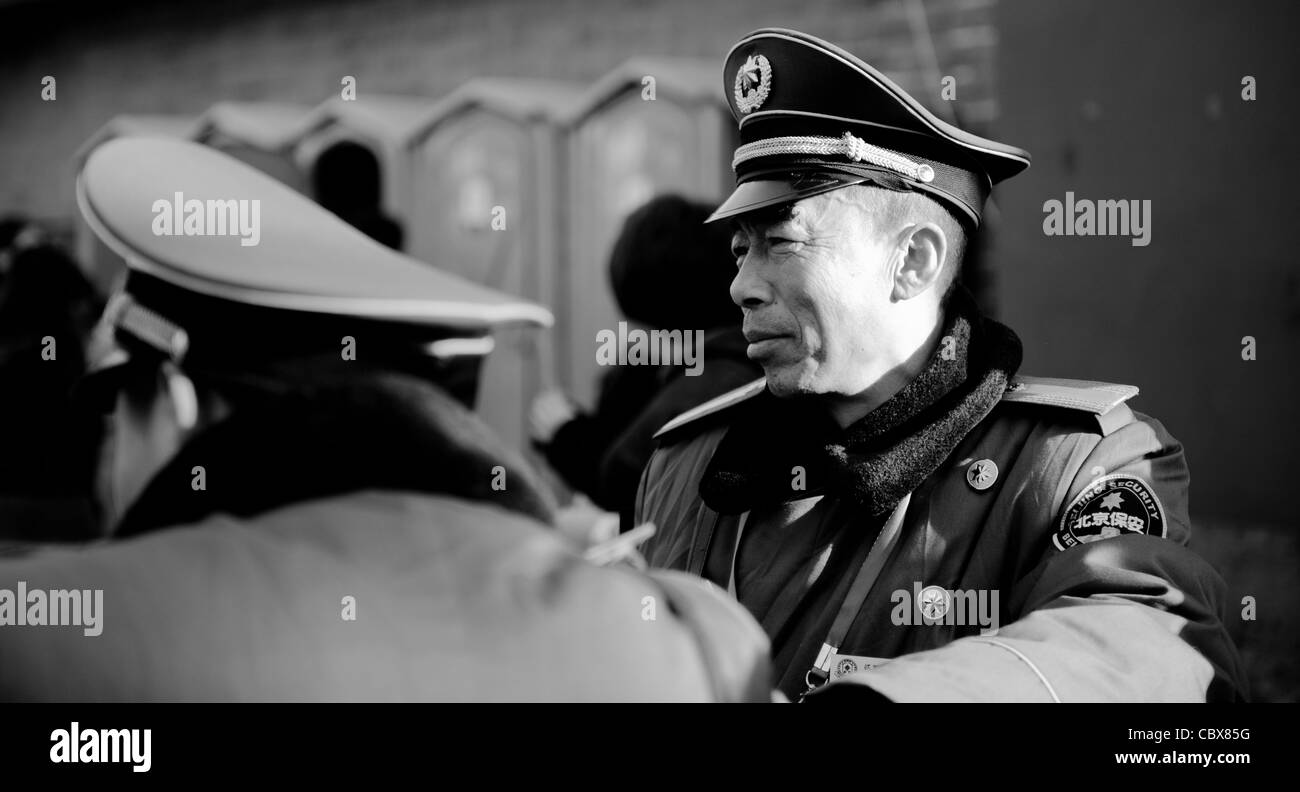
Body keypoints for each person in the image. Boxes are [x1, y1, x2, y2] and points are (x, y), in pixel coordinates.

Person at [0, 137, 770, 702]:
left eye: (113, 412)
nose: (104, 453)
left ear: (175, 402)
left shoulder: (42, 644)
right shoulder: (695, 649)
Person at [634, 28, 1246, 702]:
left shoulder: (1075, 465)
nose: (741, 285)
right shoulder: (687, 462)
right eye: (740, 249)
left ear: (914, 262)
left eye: (781, 241)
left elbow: (1144, 648)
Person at [530, 194, 761, 528]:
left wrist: (565, 436)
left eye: (648, 327)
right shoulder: (697, 362)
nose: (634, 340)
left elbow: (624, 480)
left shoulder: (714, 380)